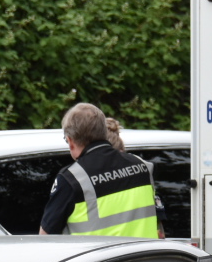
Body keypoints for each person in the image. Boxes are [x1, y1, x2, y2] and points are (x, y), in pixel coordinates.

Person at [39, 103, 159, 240]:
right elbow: (158, 226)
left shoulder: (71, 179)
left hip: (99, 261)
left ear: (70, 141)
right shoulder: (143, 166)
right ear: (103, 131)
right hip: (146, 259)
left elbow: (45, 238)